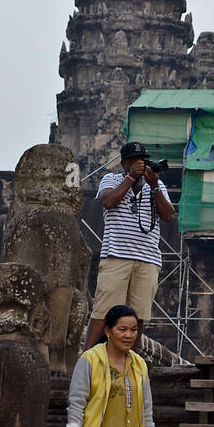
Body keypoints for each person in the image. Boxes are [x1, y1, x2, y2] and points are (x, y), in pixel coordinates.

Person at [84, 142, 177, 351]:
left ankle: (129, 364)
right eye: (134, 160)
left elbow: (169, 215)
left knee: (139, 315)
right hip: (116, 256)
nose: (140, 164)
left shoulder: (156, 186)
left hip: (148, 259)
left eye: (142, 160)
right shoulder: (111, 179)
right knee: (103, 311)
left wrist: (153, 186)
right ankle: (85, 359)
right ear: (124, 163)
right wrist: (131, 178)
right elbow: (108, 201)